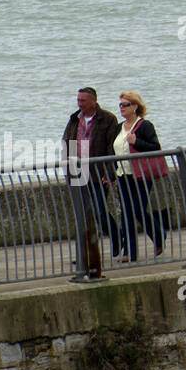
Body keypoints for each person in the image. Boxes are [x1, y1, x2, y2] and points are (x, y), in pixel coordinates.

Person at [62, 86, 122, 258]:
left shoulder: (107, 119)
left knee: (99, 211)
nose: (79, 104)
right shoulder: (74, 119)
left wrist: (109, 173)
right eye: (78, 100)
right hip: (77, 173)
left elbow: (111, 147)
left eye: (83, 100)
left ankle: (116, 236)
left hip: (97, 173)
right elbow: (66, 143)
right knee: (82, 216)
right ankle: (85, 256)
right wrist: (67, 169)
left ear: (93, 101)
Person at [112, 91, 165, 262]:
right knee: (126, 213)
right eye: (120, 105)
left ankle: (159, 235)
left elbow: (155, 147)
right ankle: (130, 253)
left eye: (125, 105)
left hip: (141, 175)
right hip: (123, 175)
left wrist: (136, 142)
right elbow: (113, 151)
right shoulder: (118, 128)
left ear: (135, 106)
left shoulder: (144, 126)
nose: (122, 108)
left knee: (137, 210)